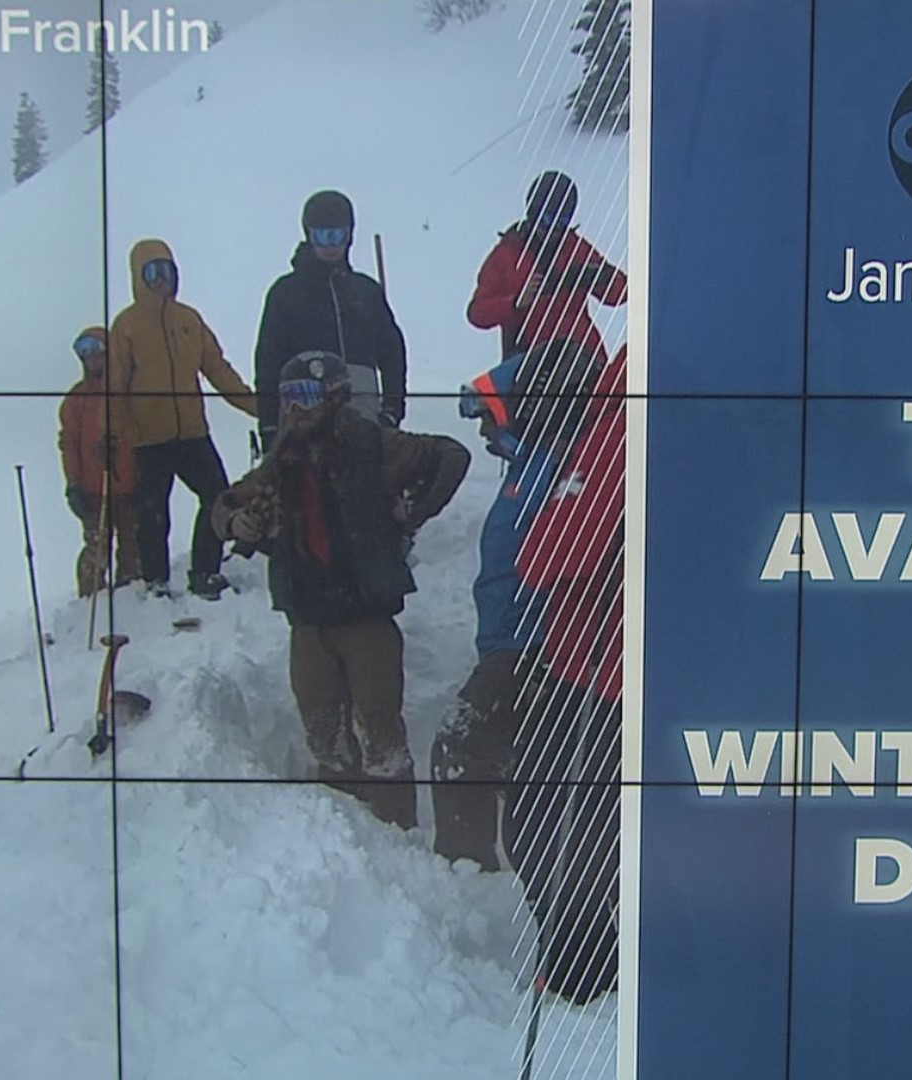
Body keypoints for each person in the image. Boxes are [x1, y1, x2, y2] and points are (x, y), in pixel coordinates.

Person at [211, 351, 469, 830]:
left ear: (334, 396)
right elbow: (225, 506)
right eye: (288, 398)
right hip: (308, 623)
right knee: (324, 734)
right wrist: (237, 522)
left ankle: (396, 834)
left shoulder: (372, 445)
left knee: (381, 738)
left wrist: (408, 512)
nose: (296, 409)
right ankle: (342, 835)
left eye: (306, 396)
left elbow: (451, 456)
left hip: (365, 619)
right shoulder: (282, 461)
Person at [430, 338, 605, 868]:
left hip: (535, 644)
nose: (483, 431)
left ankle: (466, 870)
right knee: (504, 749)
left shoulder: (562, 465)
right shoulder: (525, 463)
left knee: (461, 743)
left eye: (489, 416)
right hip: (510, 639)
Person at [507, 344, 626, 1006]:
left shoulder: (623, 418)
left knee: (547, 825)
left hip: (597, 671)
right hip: (647, 666)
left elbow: (545, 556)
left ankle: (583, 976)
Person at [109, 238, 258, 600]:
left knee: (217, 497)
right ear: (137, 276)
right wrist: (112, 433)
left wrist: (257, 405)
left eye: (167, 271)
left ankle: (205, 572)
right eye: (152, 272)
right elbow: (114, 388)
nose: (161, 279)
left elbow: (217, 369)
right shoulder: (126, 327)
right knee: (153, 512)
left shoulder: (188, 320)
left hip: (192, 432)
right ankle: (156, 581)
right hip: (149, 438)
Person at [252, 190, 408, 443]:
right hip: (303, 421)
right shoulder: (285, 292)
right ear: (309, 236)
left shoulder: (366, 291)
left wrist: (392, 409)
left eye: (338, 235)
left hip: (363, 419)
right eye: (322, 236)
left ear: (350, 236)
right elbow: (268, 363)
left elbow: (392, 354)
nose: (331, 246)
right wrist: (269, 426)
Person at [466, 170, 628, 363]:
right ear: (533, 214)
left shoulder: (575, 247)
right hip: (531, 367)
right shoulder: (508, 253)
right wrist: (514, 303)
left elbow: (622, 293)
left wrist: (596, 277)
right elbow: (476, 313)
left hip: (583, 359)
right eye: (548, 220)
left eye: (563, 222)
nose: (554, 229)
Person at [58, 326, 141, 596]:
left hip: (130, 486)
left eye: (98, 352)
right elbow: (68, 443)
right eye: (86, 354)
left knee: (134, 547)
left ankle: (133, 599)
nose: (93, 360)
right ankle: (89, 599)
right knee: (96, 548)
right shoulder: (76, 400)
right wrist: (73, 483)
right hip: (93, 490)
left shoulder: (129, 391)